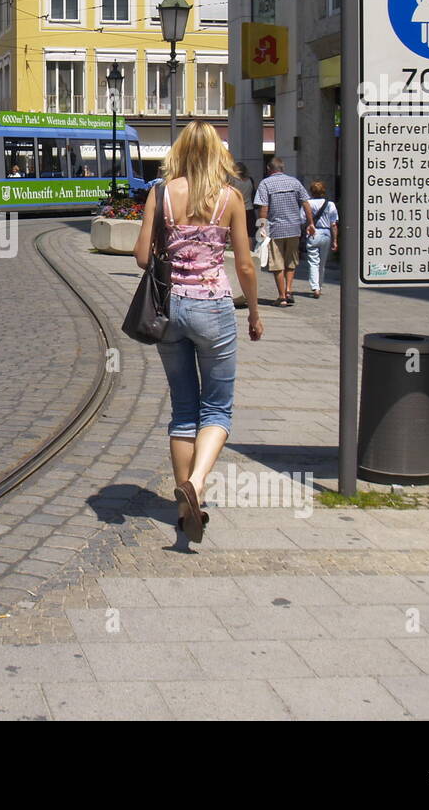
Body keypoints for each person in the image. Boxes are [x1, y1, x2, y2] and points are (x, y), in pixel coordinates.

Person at [134, 121, 262, 545]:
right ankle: (198, 484)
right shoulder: (231, 199)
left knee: (183, 409)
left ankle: (184, 505)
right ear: (217, 154)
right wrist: (255, 313)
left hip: (170, 309)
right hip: (214, 309)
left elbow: (139, 256)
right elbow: (244, 264)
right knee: (218, 408)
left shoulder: (161, 193)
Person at [254, 157, 315, 307]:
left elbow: (264, 208)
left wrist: (262, 227)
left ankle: (282, 296)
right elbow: (306, 203)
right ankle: (289, 290)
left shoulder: (265, 183)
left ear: (269, 168)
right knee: (291, 262)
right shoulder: (294, 182)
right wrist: (311, 223)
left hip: (275, 229)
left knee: (276, 264)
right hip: (294, 228)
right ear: (282, 168)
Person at [303, 181, 339, 299]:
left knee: (313, 262)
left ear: (311, 191)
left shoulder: (307, 203)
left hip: (313, 232)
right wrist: (335, 240)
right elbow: (333, 224)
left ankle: (315, 287)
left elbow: (302, 219)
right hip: (326, 233)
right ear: (323, 191)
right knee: (322, 263)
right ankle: (320, 285)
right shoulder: (330, 204)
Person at [231, 162, 256, 241]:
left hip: (236, 210)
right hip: (249, 209)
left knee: (235, 234)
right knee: (249, 235)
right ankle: (250, 252)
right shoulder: (250, 180)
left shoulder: (233, 181)